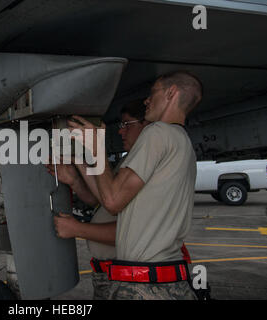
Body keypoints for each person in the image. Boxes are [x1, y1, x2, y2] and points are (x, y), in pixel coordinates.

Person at [65, 70, 203, 300]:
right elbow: (110, 196)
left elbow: (112, 201)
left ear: (171, 93)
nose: (148, 100)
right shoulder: (181, 141)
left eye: (153, 93)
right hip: (166, 279)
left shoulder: (156, 132)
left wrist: (97, 147)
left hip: (144, 284)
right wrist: (78, 164)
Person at [46, 99, 150, 299]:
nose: (120, 131)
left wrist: (77, 229)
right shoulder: (128, 163)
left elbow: (133, 231)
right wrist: (75, 174)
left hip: (128, 278)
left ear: (146, 127)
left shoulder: (142, 169)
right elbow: (101, 201)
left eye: (126, 125)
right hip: (109, 275)